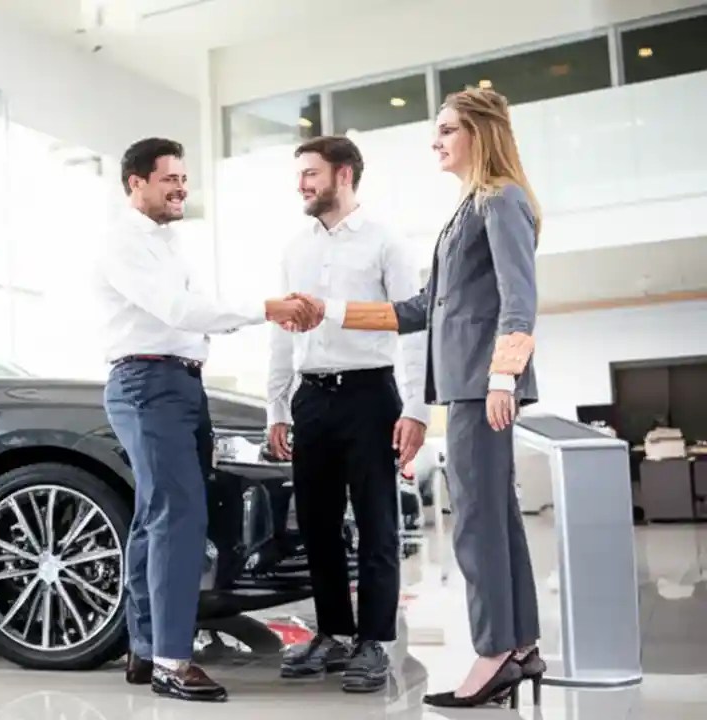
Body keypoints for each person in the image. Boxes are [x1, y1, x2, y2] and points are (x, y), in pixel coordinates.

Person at [285, 88, 545, 708]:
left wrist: (503, 378)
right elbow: (419, 309)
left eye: (447, 130)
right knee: (498, 522)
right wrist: (334, 311)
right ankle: (522, 645)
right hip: (468, 386)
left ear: (480, 134)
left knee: (477, 524)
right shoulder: (469, 209)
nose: (436, 141)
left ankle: (491, 655)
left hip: (482, 387)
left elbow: (519, 297)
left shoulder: (500, 198)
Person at [93, 137, 317, 703]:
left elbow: (196, 314)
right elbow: (179, 311)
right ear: (135, 183)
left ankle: (145, 648)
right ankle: (173, 660)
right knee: (178, 516)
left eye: (184, 179)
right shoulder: (124, 243)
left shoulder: (168, 245)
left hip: (179, 382)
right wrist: (267, 308)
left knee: (153, 516)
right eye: (169, 178)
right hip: (148, 383)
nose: (181, 188)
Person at [266, 136, 428, 694]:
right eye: (299, 175)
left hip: (370, 396)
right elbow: (282, 333)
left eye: (310, 173)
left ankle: (374, 641)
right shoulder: (295, 248)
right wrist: (277, 406)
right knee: (317, 524)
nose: (301, 184)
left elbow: (412, 327)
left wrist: (416, 407)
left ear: (343, 174)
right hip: (312, 399)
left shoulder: (387, 242)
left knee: (378, 523)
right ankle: (333, 632)